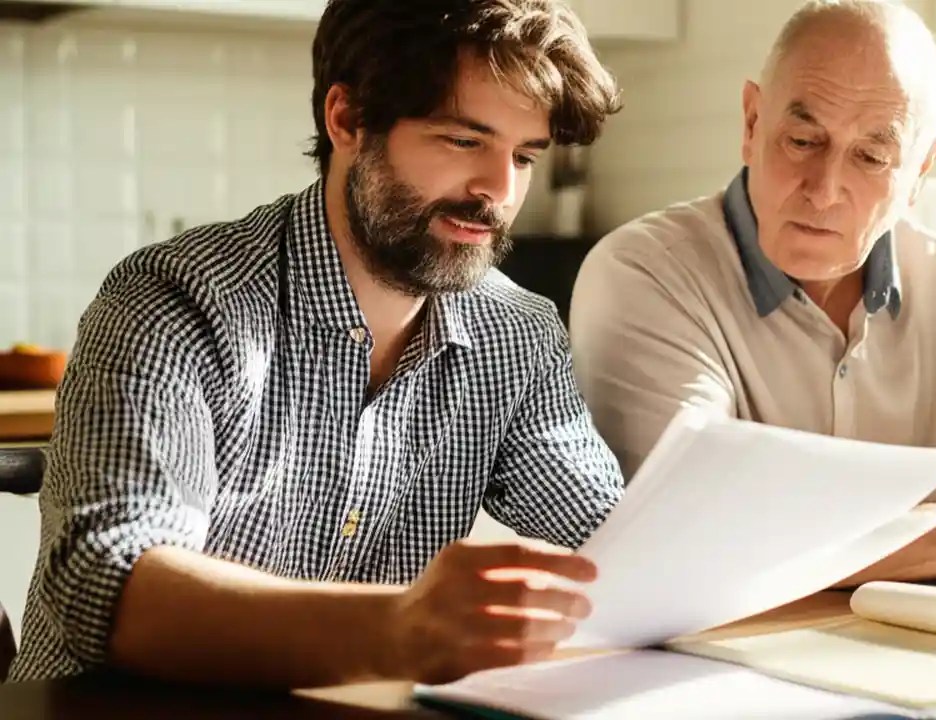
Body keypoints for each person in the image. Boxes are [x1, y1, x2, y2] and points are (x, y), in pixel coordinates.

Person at [9, 0, 625, 687]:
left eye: (524, 156)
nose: (499, 191)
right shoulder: (176, 302)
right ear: (348, 120)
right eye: (463, 141)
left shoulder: (520, 336)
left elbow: (616, 547)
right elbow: (109, 583)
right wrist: (398, 627)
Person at [570, 0, 936, 587]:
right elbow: (706, 535)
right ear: (752, 124)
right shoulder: (646, 274)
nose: (824, 191)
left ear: (923, 169)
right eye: (802, 140)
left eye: (872, 156)